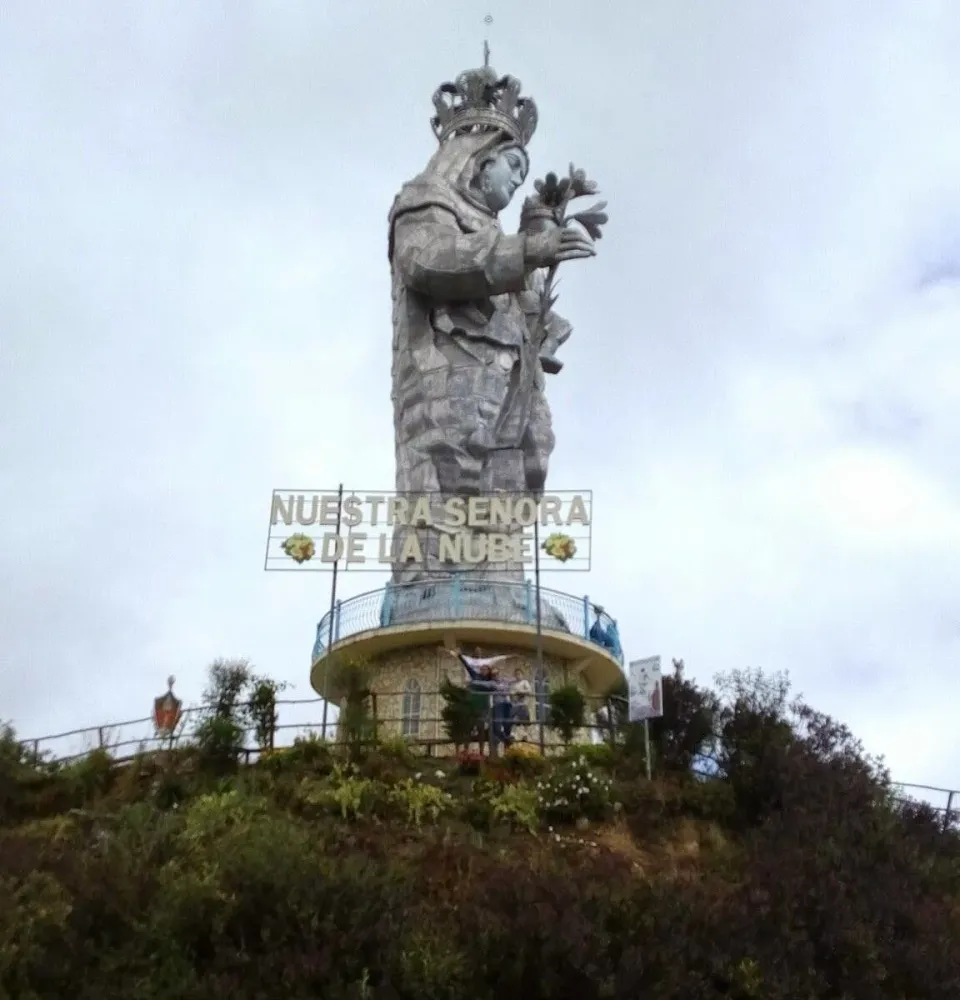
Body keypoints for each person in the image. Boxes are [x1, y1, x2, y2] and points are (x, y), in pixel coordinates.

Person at [443, 646, 514, 749]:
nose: (483, 670)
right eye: (482, 669)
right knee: (469, 727)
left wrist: (509, 658)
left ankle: (484, 750)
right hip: (473, 702)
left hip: (484, 705)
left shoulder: (490, 680)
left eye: (485, 669)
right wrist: (459, 655)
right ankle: (466, 750)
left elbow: (498, 677)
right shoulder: (475, 675)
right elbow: (466, 665)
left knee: (482, 727)